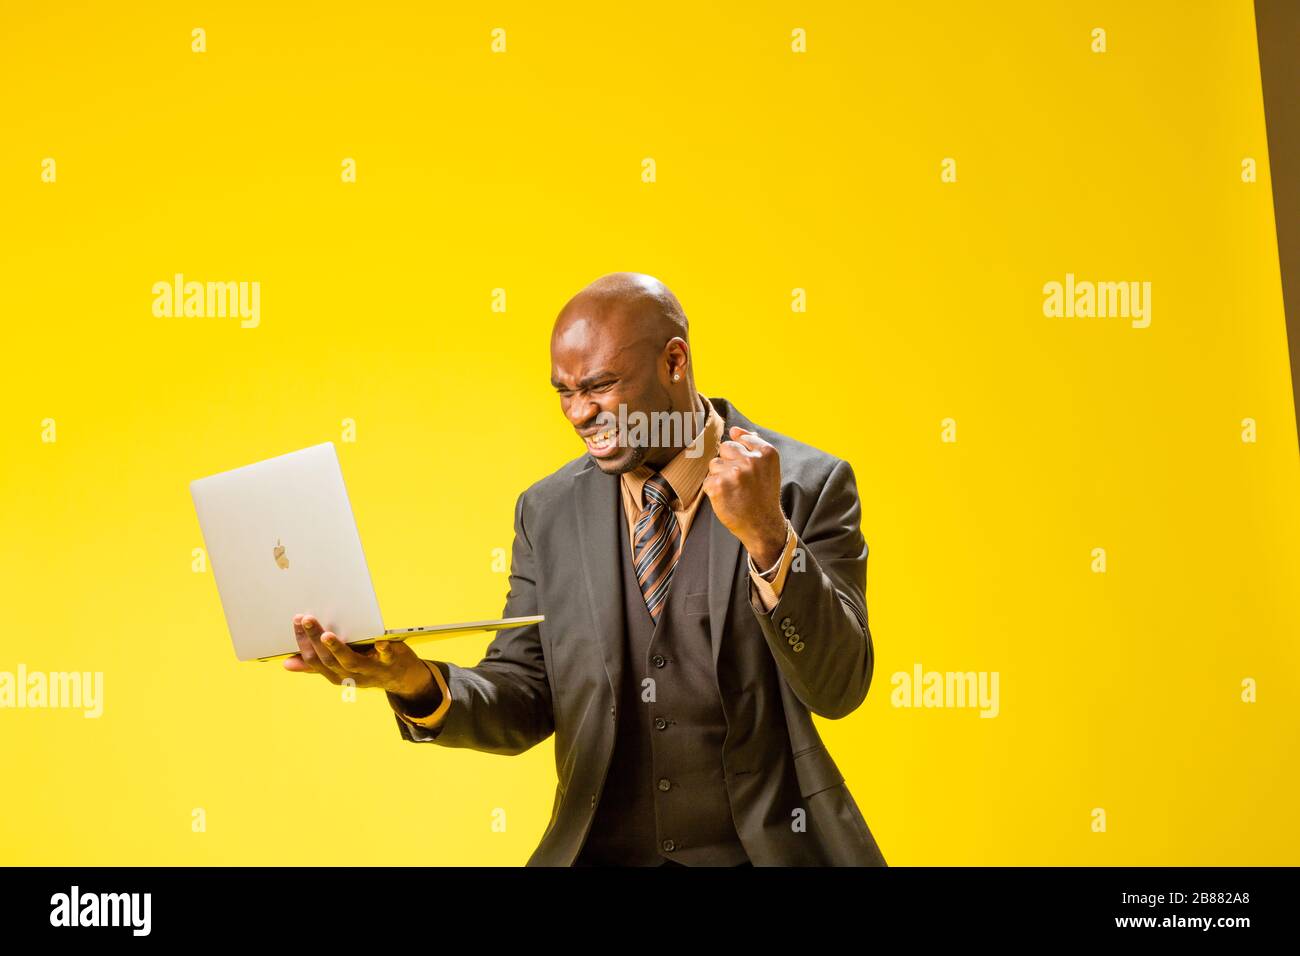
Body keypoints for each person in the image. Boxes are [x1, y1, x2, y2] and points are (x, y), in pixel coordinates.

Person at [285, 272, 887, 866]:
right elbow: (522, 696)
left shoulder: (806, 485)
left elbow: (839, 687)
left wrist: (767, 536)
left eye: (601, 386)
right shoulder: (546, 512)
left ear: (674, 361)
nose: (579, 414)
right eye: (564, 392)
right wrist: (414, 682)